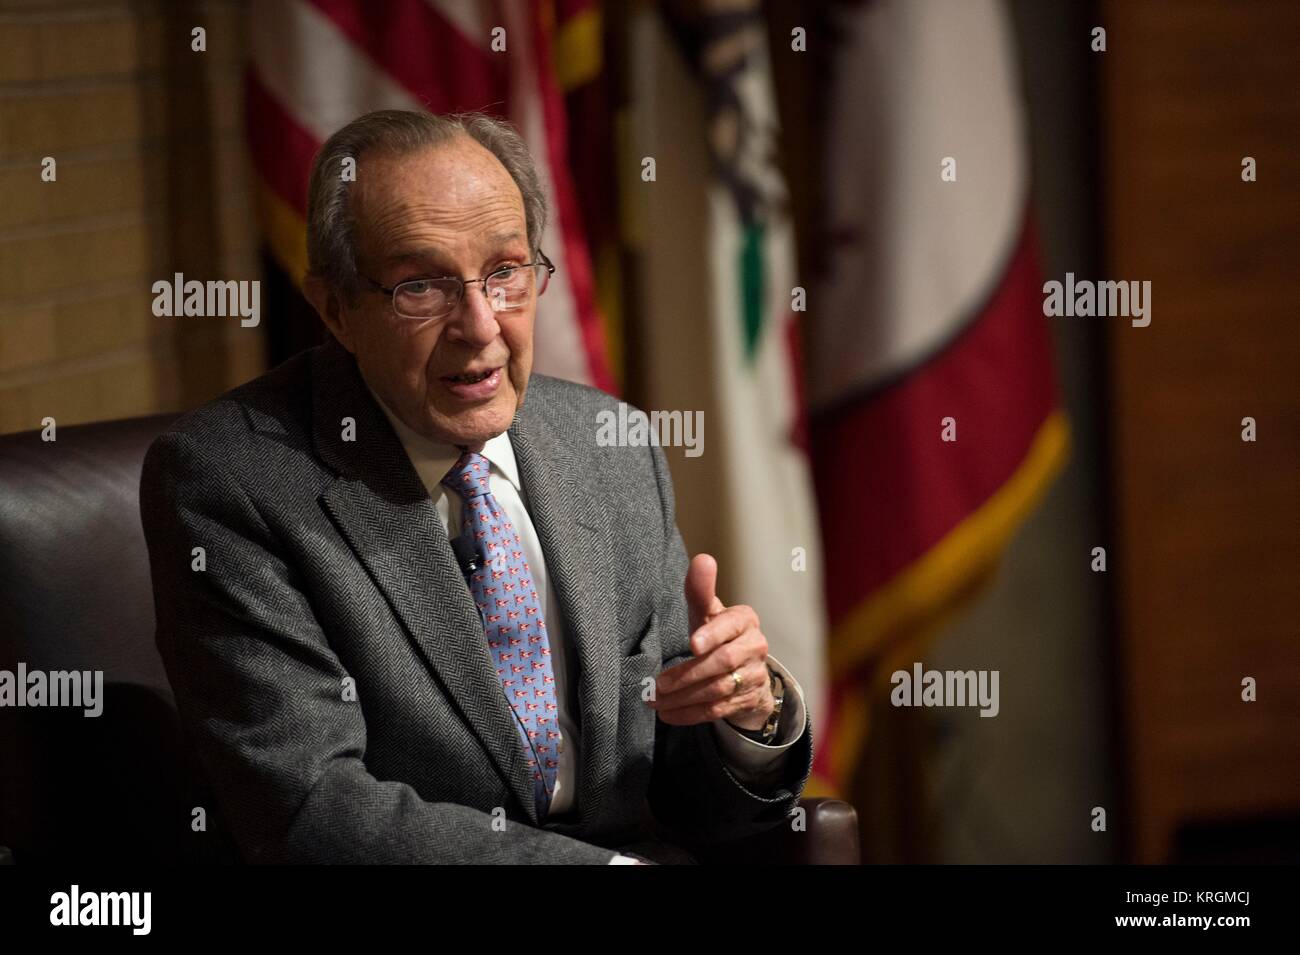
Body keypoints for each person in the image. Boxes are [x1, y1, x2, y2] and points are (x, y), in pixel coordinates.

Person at [139, 109, 812, 864]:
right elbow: (310, 809)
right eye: (422, 286)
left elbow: (681, 793)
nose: (481, 325)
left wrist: (747, 714)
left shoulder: (608, 444)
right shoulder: (232, 482)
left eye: (505, 273)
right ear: (335, 308)